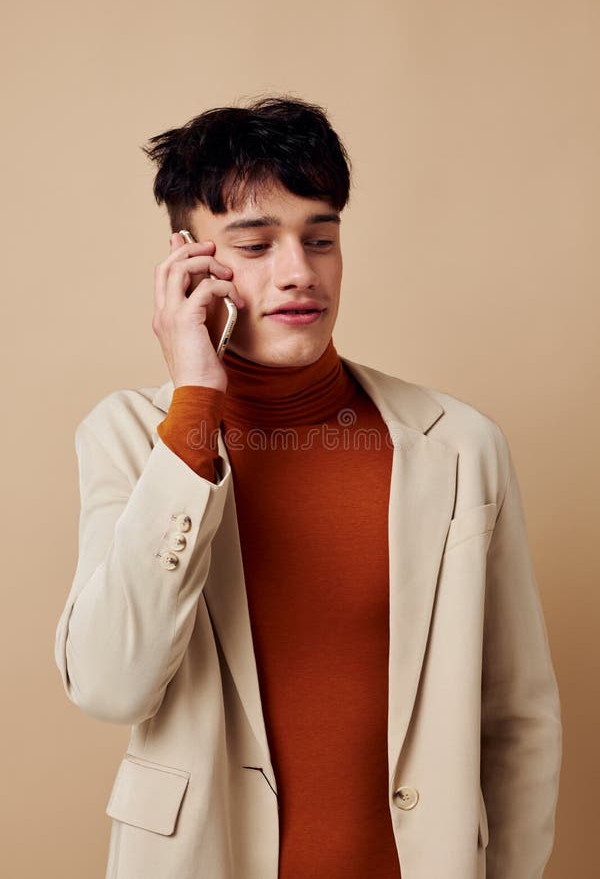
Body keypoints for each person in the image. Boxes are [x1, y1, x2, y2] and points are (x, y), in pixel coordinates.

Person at [54, 95, 562, 879]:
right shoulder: (129, 436)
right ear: (186, 259)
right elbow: (111, 684)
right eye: (255, 246)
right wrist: (195, 401)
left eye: (320, 239)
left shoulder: (459, 446)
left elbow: (518, 718)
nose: (299, 272)